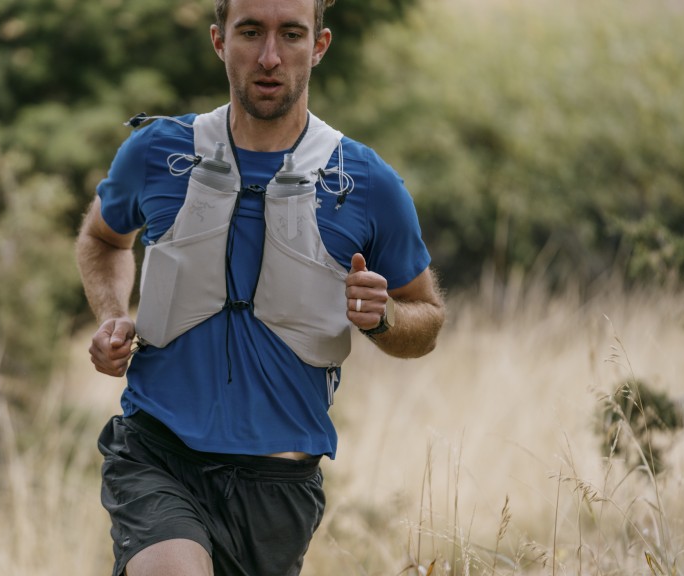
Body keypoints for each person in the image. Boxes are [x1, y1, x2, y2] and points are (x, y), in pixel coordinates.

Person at [75, 0, 445, 573]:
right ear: (220, 41)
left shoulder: (367, 180)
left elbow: (427, 320)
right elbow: (103, 239)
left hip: (278, 484)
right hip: (157, 453)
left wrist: (384, 317)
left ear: (318, 45)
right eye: (250, 32)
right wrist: (110, 314)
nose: (269, 56)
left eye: (290, 34)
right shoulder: (157, 151)